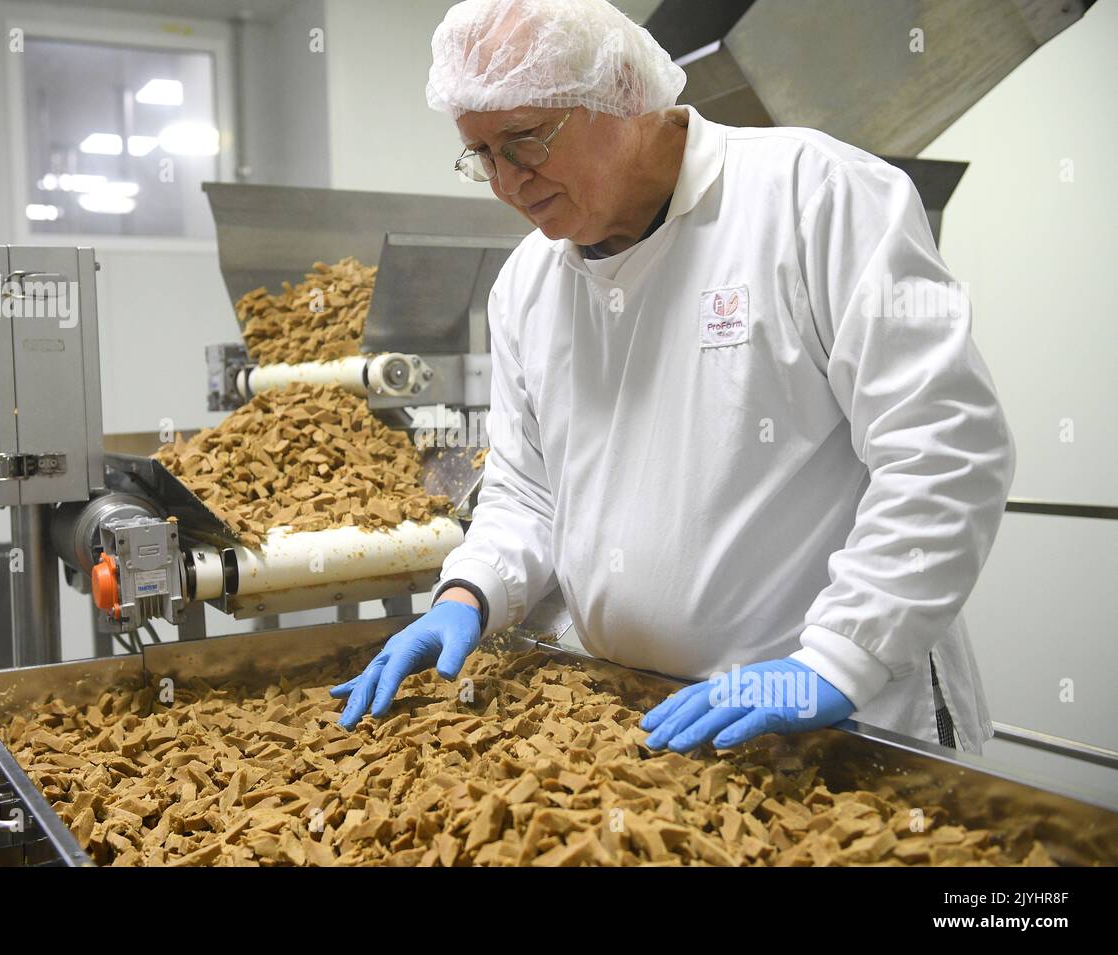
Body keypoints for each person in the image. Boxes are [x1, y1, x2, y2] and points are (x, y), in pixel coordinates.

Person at [331, 0, 1014, 755]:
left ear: (623, 92)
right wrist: (470, 591)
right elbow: (527, 493)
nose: (506, 181)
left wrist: (837, 661)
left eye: (525, 140)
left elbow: (943, 449)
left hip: (843, 717)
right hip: (637, 719)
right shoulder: (526, 283)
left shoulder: (813, 197)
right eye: (481, 153)